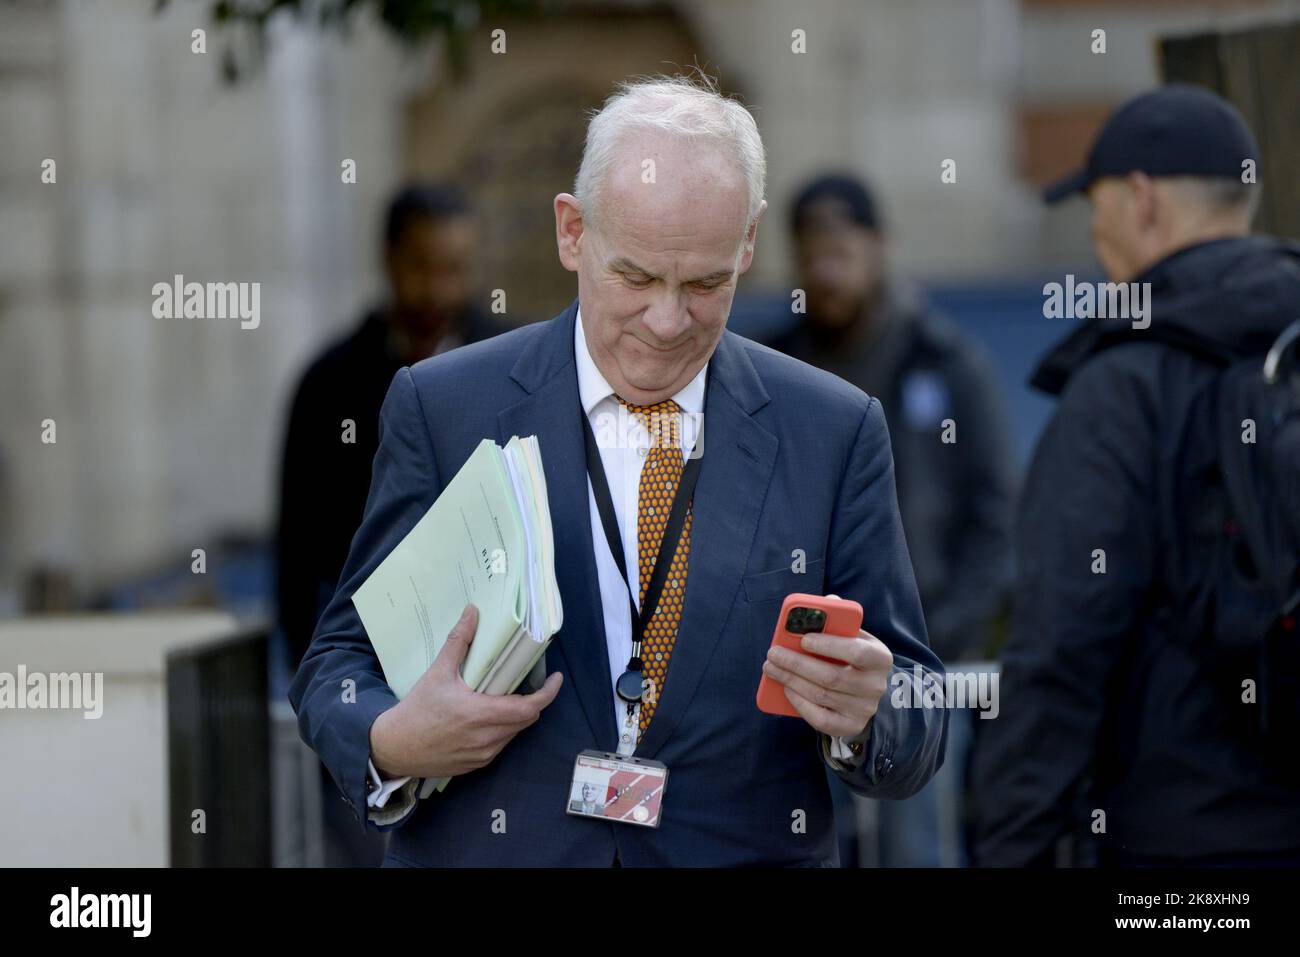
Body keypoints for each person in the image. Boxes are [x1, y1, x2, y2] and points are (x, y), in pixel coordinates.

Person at [289, 74, 946, 867]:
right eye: (634, 277)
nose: (668, 322)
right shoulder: (443, 407)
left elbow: (916, 710)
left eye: (706, 284)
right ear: (572, 231)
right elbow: (339, 662)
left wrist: (871, 714)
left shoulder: (835, 430)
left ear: (748, 243)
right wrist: (393, 738)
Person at [972, 84, 1300, 866]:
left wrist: (1014, 842)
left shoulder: (1126, 383)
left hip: (1179, 848)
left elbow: (1059, 646)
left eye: (1098, 204)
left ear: (1144, 201)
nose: (1094, 232)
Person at [768, 174, 1015, 867]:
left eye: (842, 251)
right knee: (806, 840)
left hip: (918, 662)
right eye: (812, 254)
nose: (827, 271)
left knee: (915, 842)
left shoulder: (947, 362)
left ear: (880, 247)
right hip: (799, 663)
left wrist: (942, 640)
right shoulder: (776, 364)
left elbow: (997, 515)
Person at [276, 182, 499, 866]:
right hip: (371, 679)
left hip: (494, 669)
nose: (438, 287)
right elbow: (295, 557)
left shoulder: (509, 364)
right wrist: (330, 704)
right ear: (388, 259)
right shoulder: (330, 382)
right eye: (422, 265)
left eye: (455, 267)